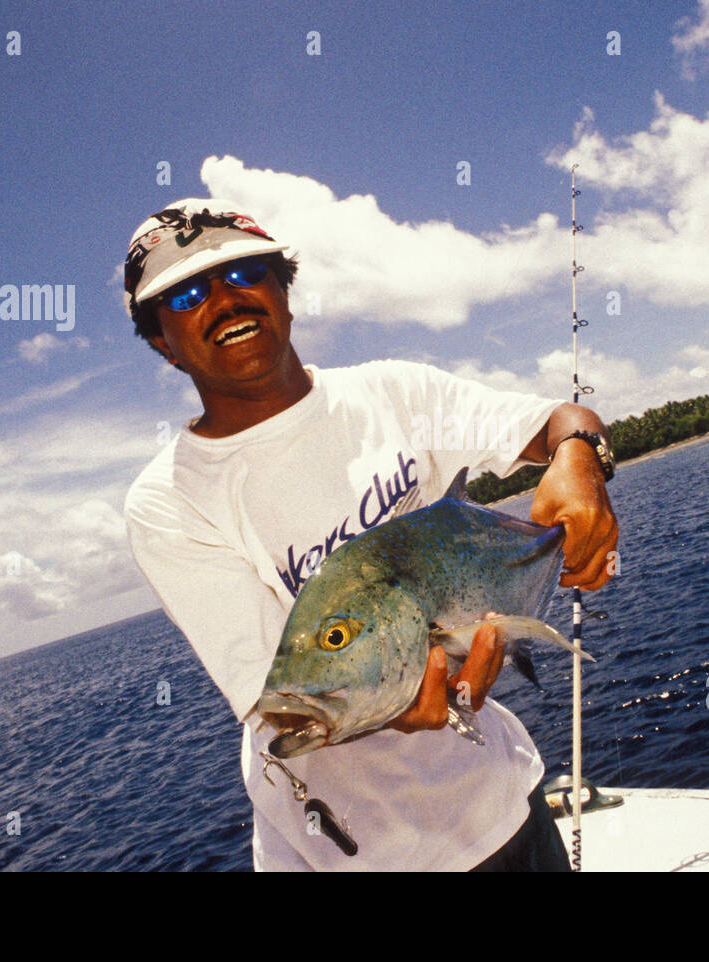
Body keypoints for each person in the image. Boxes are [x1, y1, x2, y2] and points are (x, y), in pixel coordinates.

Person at [122, 198, 619, 871]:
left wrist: (581, 462)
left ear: (284, 290)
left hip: (502, 800)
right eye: (185, 295)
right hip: (351, 854)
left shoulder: (394, 392)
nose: (224, 301)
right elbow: (279, 706)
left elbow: (562, 421)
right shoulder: (168, 502)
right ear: (159, 340)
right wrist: (401, 692)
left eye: (243, 276)